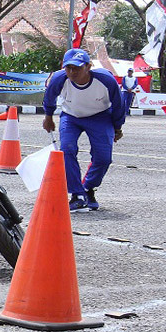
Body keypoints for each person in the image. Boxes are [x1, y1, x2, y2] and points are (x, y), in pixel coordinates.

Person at [42, 49, 126, 212]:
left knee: (103, 158)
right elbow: (49, 97)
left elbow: (118, 104)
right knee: (67, 149)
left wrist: (117, 127)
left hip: (100, 116)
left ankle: (88, 188)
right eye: (69, 68)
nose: (72, 72)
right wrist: (48, 116)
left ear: (88, 66)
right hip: (71, 116)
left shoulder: (105, 79)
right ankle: (76, 194)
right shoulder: (59, 78)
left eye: (77, 68)